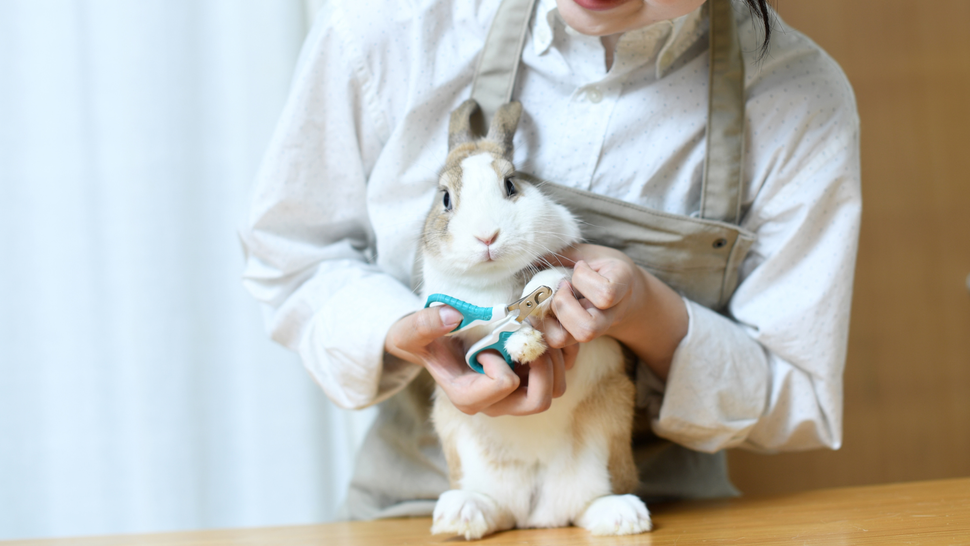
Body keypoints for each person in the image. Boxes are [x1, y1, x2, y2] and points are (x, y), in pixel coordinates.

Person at [241, 0, 860, 520]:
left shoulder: (796, 98)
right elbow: (292, 255)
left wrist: (647, 314)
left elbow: (799, 395)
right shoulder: (393, 31)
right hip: (423, 501)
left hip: (648, 508)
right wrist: (408, 335)